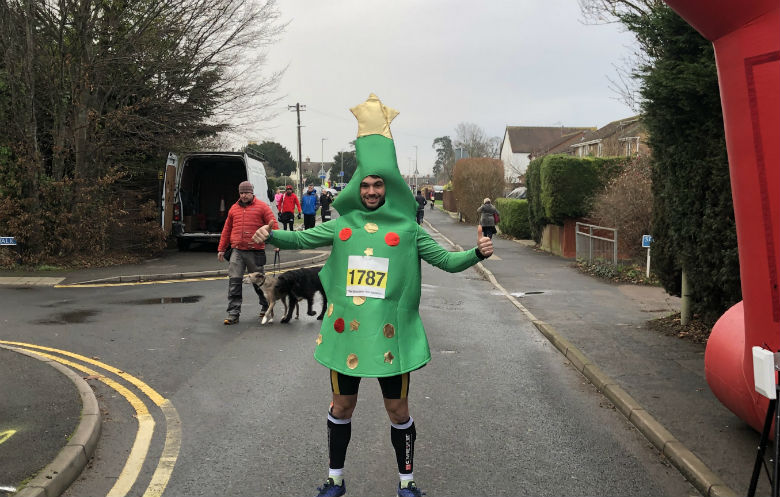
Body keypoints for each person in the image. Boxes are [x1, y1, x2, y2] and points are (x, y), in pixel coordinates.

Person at [252, 94, 494, 497]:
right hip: (346, 334)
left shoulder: (410, 231)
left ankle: (407, 483)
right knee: (341, 407)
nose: (370, 190)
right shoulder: (342, 225)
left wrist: (476, 253)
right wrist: (271, 234)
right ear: (357, 188)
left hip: (389, 337)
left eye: (377, 183)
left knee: (398, 410)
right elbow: (301, 238)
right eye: (364, 184)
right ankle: (335, 479)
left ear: (388, 187)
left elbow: (447, 262)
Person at [217, 181, 278, 325]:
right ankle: (233, 313)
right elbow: (227, 229)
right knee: (234, 282)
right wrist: (221, 248)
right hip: (237, 251)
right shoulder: (233, 208)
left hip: (255, 251)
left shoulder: (262, 207)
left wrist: (277, 243)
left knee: (259, 283)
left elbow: (273, 225)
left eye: (246, 193)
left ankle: (265, 306)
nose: (244, 195)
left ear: (252, 193)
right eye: (241, 193)